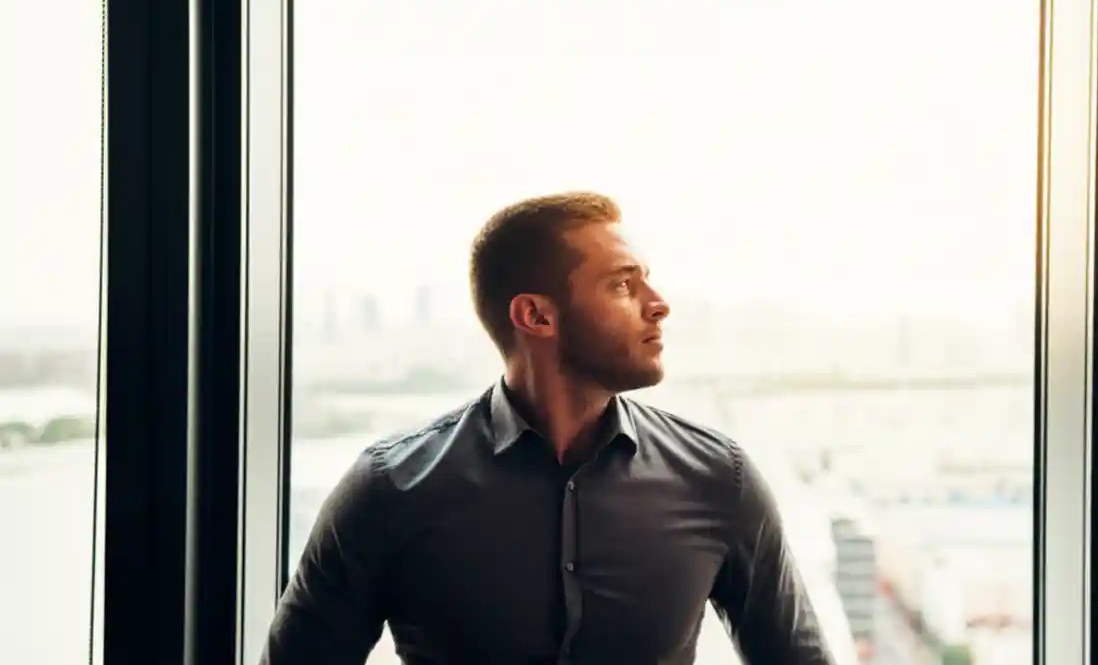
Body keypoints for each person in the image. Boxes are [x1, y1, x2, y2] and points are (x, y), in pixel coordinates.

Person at [262, 192, 834, 664]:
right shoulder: (390, 488)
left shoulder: (717, 478)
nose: (658, 305)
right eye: (622, 285)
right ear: (536, 315)